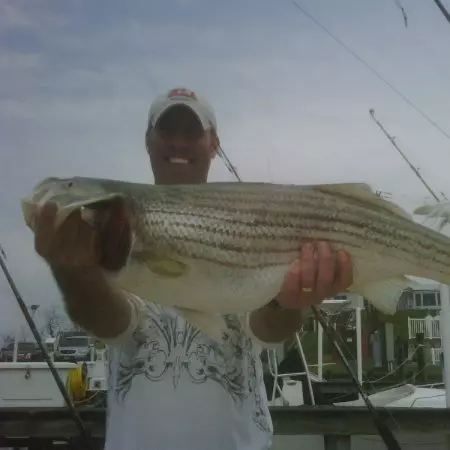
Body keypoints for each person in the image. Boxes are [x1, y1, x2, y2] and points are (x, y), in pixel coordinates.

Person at [32, 87, 353, 450]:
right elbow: (110, 321)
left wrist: (289, 300)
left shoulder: (248, 221)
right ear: (148, 141)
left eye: (192, 132)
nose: (179, 143)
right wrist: (72, 269)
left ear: (214, 143)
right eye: (167, 131)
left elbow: (268, 330)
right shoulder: (119, 236)